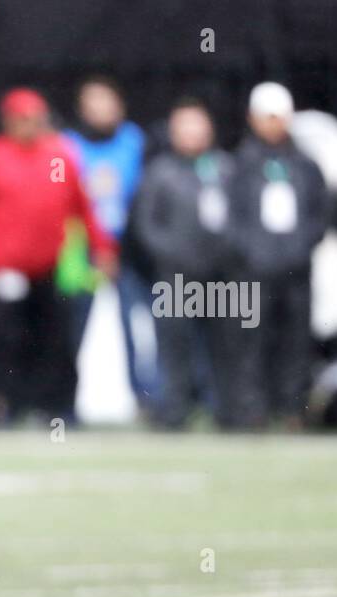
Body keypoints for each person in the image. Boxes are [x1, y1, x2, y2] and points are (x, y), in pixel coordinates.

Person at [0, 88, 116, 425]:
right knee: (2, 340)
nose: (30, 126)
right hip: (5, 268)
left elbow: (82, 207)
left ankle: (55, 409)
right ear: (8, 120)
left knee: (54, 340)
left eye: (35, 118)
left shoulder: (59, 155)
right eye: (22, 119)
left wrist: (102, 247)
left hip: (48, 267)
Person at [224, 82, 328, 430]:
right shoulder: (241, 163)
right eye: (266, 117)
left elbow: (319, 214)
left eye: (279, 117)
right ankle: (252, 410)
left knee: (295, 342)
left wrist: (300, 248)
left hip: (296, 269)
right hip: (252, 270)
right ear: (253, 119)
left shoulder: (305, 164)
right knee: (251, 340)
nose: (273, 124)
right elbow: (231, 216)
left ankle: (292, 410)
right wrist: (252, 252)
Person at [131, 98, 235, 429]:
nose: (192, 132)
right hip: (175, 274)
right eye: (184, 125)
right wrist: (175, 256)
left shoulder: (225, 167)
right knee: (174, 348)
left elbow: (239, 219)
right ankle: (174, 412)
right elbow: (146, 225)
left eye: (197, 124)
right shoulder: (160, 171)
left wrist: (222, 254)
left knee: (225, 346)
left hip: (220, 274)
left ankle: (226, 412)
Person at [65, 77, 155, 408]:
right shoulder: (67, 146)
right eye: (93, 102)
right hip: (83, 251)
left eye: (107, 101)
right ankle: (71, 400)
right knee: (76, 325)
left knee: (135, 323)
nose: (101, 109)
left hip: (129, 251)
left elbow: (145, 198)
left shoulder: (134, 141)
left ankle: (144, 397)